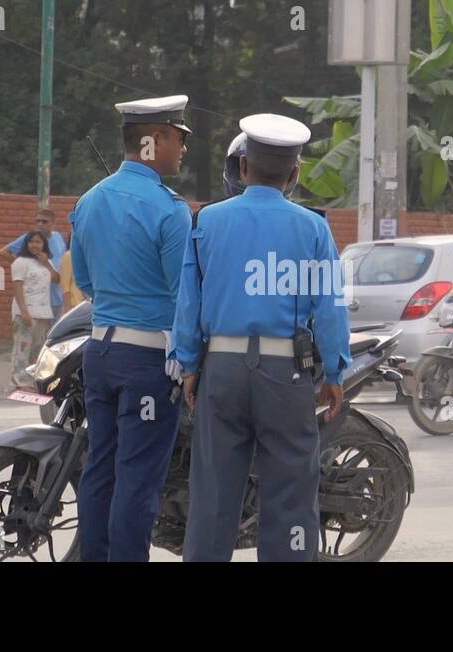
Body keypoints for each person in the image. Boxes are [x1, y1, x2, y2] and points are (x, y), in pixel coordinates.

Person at [173, 113, 351, 562]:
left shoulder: (206, 222)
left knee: (212, 494)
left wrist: (189, 366)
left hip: (222, 371)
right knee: (291, 494)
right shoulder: (313, 228)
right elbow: (329, 308)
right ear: (294, 174)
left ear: (243, 168)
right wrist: (334, 372)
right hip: (285, 375)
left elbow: (188, 304)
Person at [69, 94, 192, 562]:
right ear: (153, 139)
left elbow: (85, 282)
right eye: (178, 138)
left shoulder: (89, 200)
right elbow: (185, 296)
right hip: (147, 361)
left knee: (100, 471)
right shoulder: (169, 209)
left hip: (99, 353)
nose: (182, 148)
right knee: (138, 480)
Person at [9, 230, 59, 388]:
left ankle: (32, 380)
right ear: (26, 244)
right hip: (25, 313)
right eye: (31, 242)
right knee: (22, 347)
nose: (35, 245)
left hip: (43, 313)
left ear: (44, 244)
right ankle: (19, 381)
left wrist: (46, 263)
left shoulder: (45, 261)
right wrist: (24, 311)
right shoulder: (21, 262)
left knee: (37, 350)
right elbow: (17, 286)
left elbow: (57, 279)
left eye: (38, 242)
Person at [0, 208, 67, 319]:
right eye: (38, 221)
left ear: (53, 223)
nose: (40, 224)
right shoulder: (30, 239)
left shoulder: (58, 237)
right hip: (35, 297)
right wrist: (27, 266)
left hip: (56, 295)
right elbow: (3, 252)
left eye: (44, 222)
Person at [58, 238, 85, 312]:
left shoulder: (91, 256)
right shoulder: (69, 255)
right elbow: (64, 286)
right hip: (75, 306)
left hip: (90, 306)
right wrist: (67, 310)